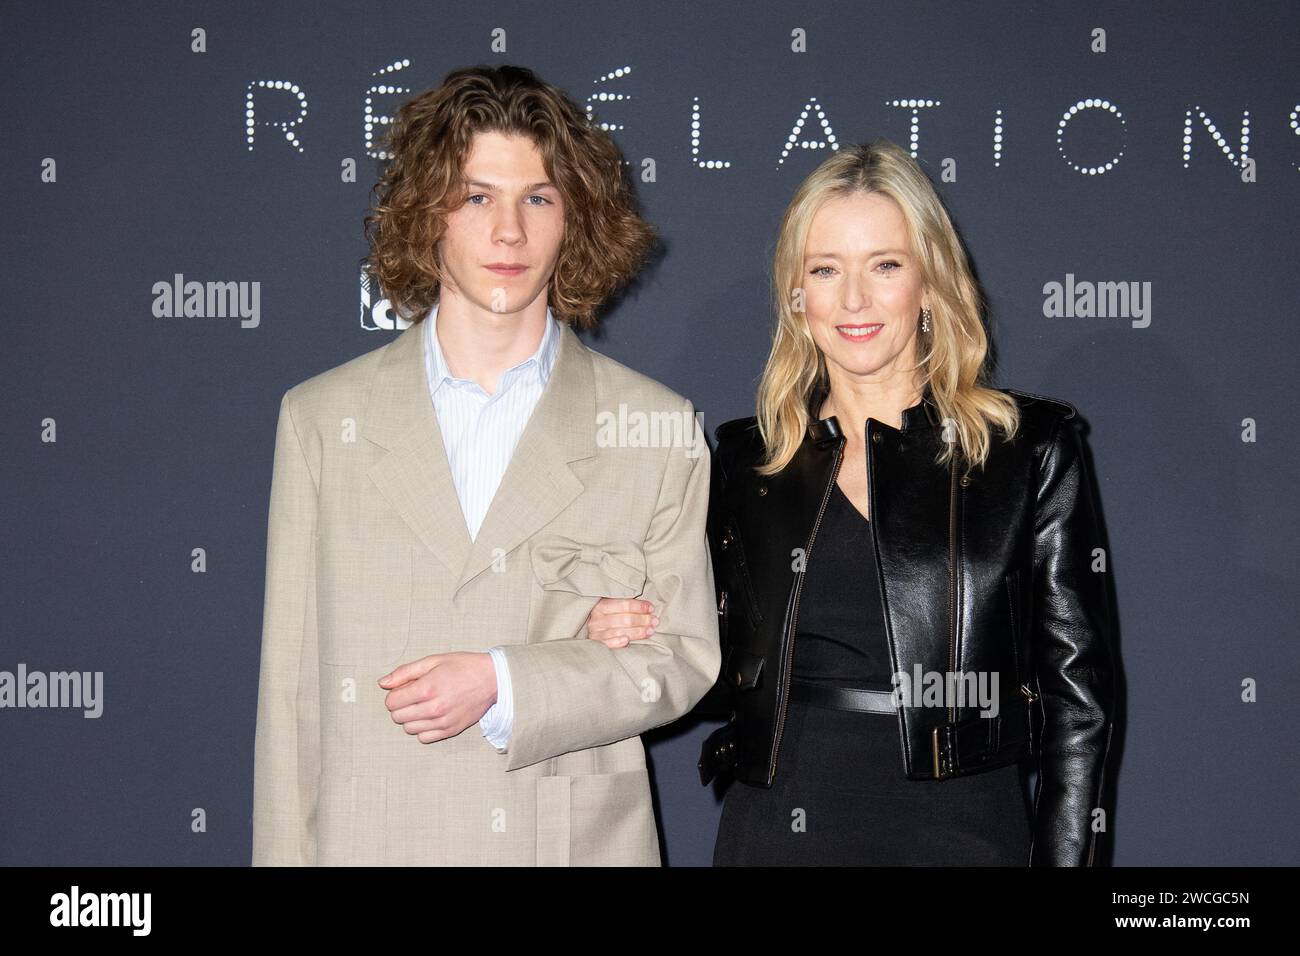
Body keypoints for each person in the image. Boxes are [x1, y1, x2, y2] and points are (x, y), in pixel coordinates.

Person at [586, 139, 1115, 866]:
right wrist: (640, 630)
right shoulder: (748, 459)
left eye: (885, 266)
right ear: (798, 296)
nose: (855, 300)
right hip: (777, 829)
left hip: (963, 832)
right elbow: (716, 671)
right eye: (826, 270)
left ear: (931, 282)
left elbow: (1078, 703)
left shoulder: (1028, 450)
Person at [251, 64, 720, 866]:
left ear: (576, 218)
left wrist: (507, 682)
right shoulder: (323, 421)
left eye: (537, 198)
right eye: (477, 196)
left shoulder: (656, 429)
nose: (509, 232)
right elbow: (292, 703)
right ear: (426, 213)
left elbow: (679, 658)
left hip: (568, 844)